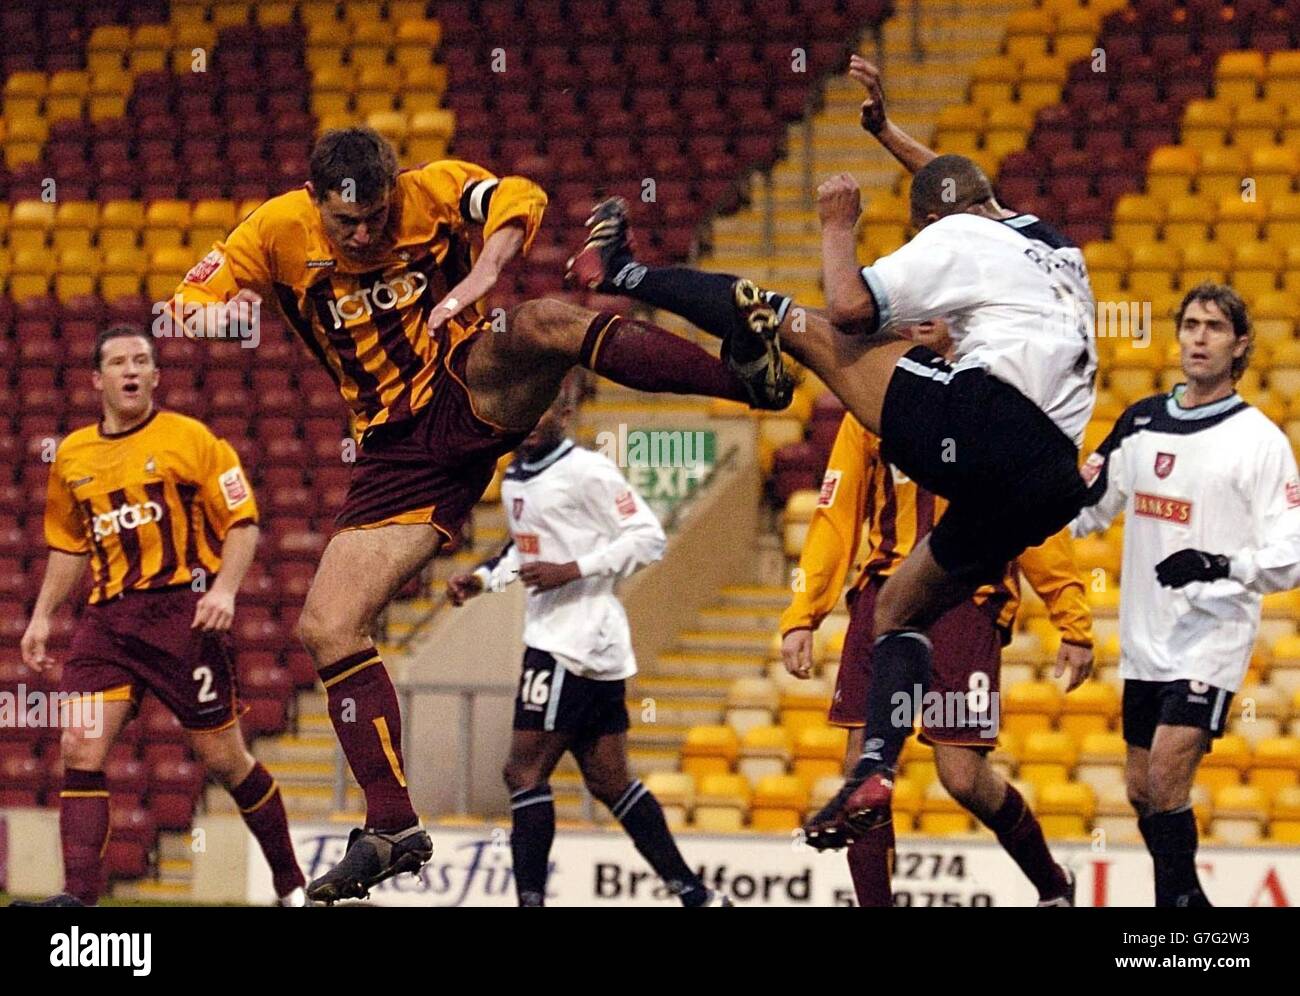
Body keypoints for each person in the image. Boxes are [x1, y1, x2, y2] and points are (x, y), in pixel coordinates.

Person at [168, 127, 789, 901]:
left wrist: (476, 280)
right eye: (345, 223)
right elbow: (193, 296)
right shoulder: (275, 231)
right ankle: (392, 825)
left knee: (544, 322)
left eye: (375, 217)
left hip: (466, 379)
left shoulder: (433, 192)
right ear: (315, 202)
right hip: (395, 452)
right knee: (326, 627)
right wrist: (209, 316)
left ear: (395, 186)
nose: (363, 234)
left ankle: (745, 379)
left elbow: (518, 197)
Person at [566, 54, 1098, 842]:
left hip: (989, 425)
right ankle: (874, 773)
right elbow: (959, 186)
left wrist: (837, 225)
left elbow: (852, 306)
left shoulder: (952, 239)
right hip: (1049, 475)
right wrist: (887, 133)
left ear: (931, 223)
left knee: (800, 322)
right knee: (897, 608)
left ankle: (626, 273)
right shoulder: (1053, 247)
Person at [781, 320, 1091, 907]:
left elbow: (1035, 511)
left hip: (964, 598)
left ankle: (1052, 884)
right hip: (882, 597)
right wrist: (805, 610)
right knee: (859, 774)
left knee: (962, 778)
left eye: (937, 305)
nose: (922, 317)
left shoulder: (992, 399)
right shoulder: (867, 406)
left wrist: (1069, 614)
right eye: (911, 304)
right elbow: (836, 512)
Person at [12, 324, 307, 907]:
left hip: (182, 617)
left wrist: (223, 591)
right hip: (106, 622)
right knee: (80, 747)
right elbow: (69, 546)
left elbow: (243, 523)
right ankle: (79, 900)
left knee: (225, 759)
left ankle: (291, 884)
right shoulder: (72, 455)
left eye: (141, 360)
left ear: (154, 375)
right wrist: (43, 614)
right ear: (97, 379)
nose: (130, 370)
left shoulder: (190, 439)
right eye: (118, 362)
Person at [446, 378, 729, 906]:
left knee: (523, 771)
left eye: (541, 409)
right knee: (610, 781)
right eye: (522, 406)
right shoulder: (515, 475)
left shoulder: (588, 471)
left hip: (568, 640)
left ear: (567, 410)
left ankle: (530, 900)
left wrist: (572, 569)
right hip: (580, 642)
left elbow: (648, 537)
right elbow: (526, 547)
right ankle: (696, 895)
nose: (529, 420)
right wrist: (484, 579)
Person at [1073, 283, 1300, 907]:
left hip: (1212, 634)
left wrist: (1217, 563)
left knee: (1169, 777)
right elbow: (1087, 511)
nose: (1199, 338)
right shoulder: (1141, 421)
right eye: (1191, 325)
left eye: (1214, 329)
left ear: (1240, 345)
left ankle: (1181, 934)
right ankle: (1190, 906)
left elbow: (1292, 553)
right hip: (1147, 638)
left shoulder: (1259, 441)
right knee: (1142, 790)